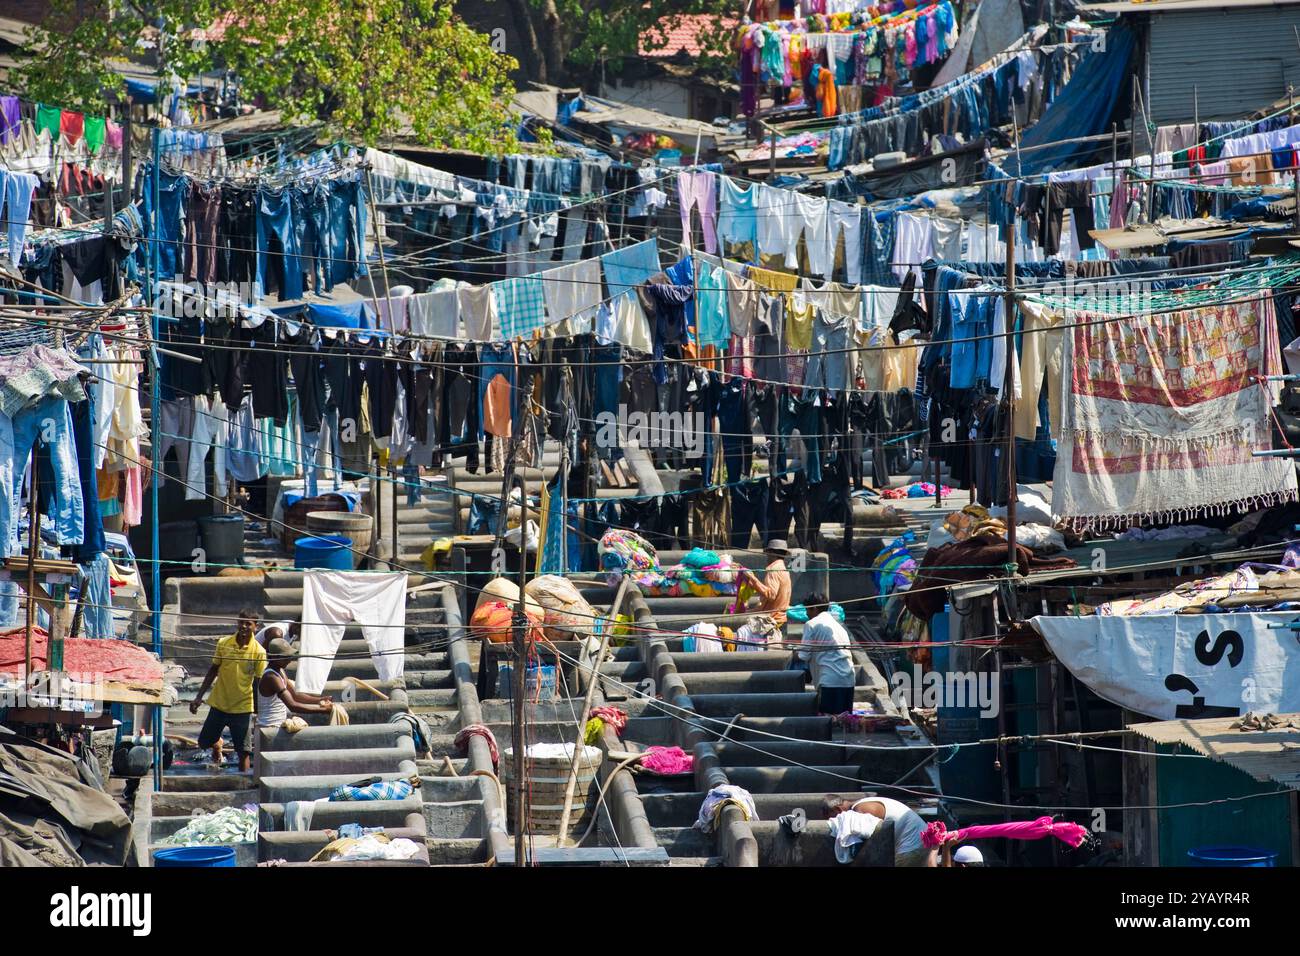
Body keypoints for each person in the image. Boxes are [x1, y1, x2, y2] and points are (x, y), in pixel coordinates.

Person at [191, 609, 267, 772]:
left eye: (249, 624)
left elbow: (258, 681)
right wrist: (198, 697)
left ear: (256, 626)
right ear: (237, 622)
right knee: (203, 742)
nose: (244, 626)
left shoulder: (259, 652)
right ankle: (217, 745)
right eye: (242, 622)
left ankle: (242, 781)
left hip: (242, 706)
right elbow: (213, 670)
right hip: (220, 702)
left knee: (244, 751)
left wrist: (259, 710)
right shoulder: (224, 643)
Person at [823, 794, 935, 867]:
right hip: (919, 838)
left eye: (833, 817)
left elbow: (874, 839)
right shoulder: (862, 803)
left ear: (838, 809)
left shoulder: (860, 811)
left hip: (913, 842)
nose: (836, 820)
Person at [797, 592, 856, 715]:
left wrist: (793, 653)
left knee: (828, 724)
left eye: (807, 610)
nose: (806, 614)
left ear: (815, 608)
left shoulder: (811, 624)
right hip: (848, 680)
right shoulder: (838, 625)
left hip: (830, 682)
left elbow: (803, 655)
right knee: (844, 723)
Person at [257, 639, 333, 727]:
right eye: (286, 657)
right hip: (268, 727)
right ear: (275, 657)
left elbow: (295, 695)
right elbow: (292, 705)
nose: (289, 660)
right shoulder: (271, 677)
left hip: (277, 725)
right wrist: (323, 710)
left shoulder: (280, 671)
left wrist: (320, 700)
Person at [739, 539, 792, 632]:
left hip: (772, 620)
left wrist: (753, 579)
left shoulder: (774, 570)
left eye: (768, 553)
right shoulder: (783, 569)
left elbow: (771, 595)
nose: (767, 556)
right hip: (780, 618)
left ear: (773, 553)